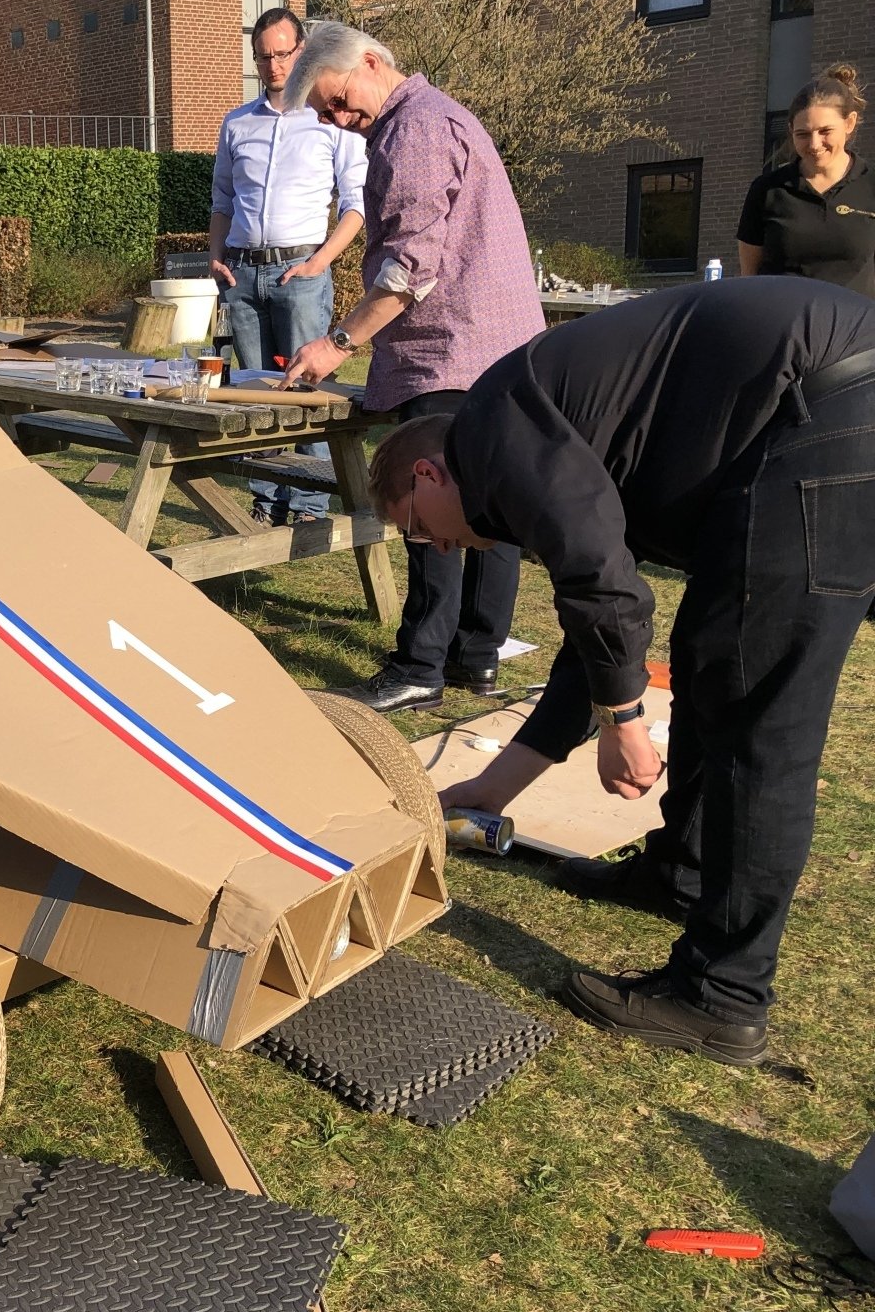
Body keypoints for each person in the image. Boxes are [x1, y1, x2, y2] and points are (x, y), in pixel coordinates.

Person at [366, 276, 875, 1064]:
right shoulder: (551, 427)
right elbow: (596, 621)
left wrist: (624, 724)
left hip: (829, 406)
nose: (435, 548)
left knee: (757, 712)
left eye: (417, 528)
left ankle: (723, 997)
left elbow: (601, 582)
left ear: (427, 475)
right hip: (808, 413)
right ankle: (678, 875)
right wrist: (493, 791)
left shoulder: (492, 432)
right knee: (719, 657)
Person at [281, 22, 544, 713]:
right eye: (326, 115)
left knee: (431, 508)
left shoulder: (413, 128)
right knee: (492, 510)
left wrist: (336, 342)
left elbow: (409, 268)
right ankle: (476, 657)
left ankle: (421, 665)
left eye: (338, 102)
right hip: (500, 348)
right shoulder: (441, 115)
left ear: (372, 62)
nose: (340, 120)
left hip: (450, 352)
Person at [208, 7, 367, 525]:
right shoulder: (237, 122)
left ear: (301, 52)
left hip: (300, 271)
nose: (274, 65)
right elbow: (222, 200)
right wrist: (216, 256)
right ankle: (268, 495)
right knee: (256, 392)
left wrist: (321, 261)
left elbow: (355, 203)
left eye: (283, 53)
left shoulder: (330, 118)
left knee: (304, 388)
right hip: (243, 273)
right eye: (264, 56)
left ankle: (310, 501)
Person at [738, 64, 875, 300]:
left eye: (825, 131)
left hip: (855, 331)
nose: (814, 144)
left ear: (849, 123)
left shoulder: (870, 185)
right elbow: (749, 279)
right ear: (790, 130)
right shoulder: (767, 190)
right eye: (803, 134)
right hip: (783, 328)